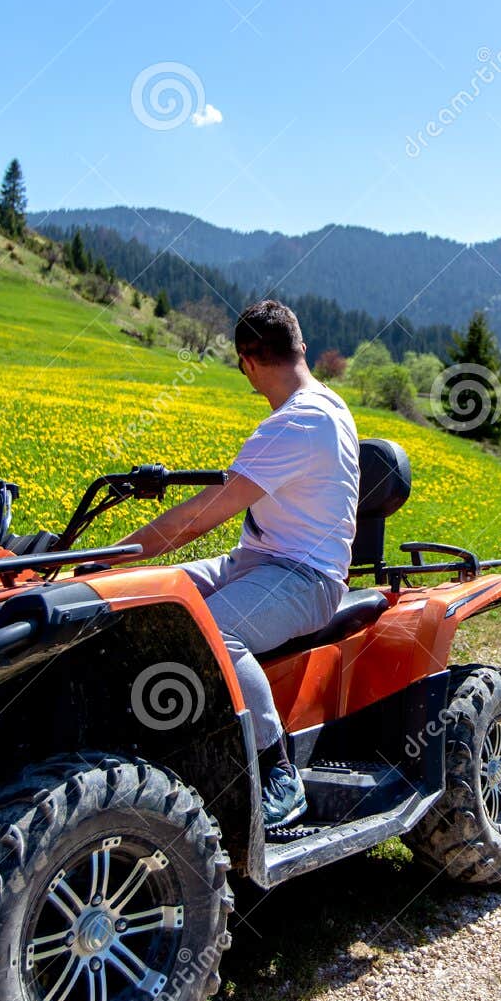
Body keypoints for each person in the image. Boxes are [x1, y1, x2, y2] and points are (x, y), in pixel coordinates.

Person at [117, 300, 360, 828]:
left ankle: (277, 772)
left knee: (213, 632)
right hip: (258, 559)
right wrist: (114, 572)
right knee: (146, 589)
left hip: (305, 577)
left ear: (248, 363)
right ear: (300, 347)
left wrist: (115, 553)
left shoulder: (298, 422)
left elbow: (197, 520)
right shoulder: (325, 403)